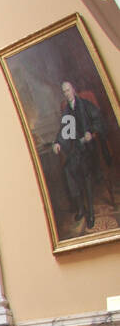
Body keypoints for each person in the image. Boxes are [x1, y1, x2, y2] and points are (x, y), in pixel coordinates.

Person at [53, 80, 105, 230]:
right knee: (68, 171)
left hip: (89, 147)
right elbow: (64, 130)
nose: (67, 93)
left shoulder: (85, 105)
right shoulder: (67, 110)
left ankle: (91, 212)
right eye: (64, 92)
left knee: (85, 172)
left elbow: (98, 120)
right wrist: (57, 143)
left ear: (73, 90)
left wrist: (91, 132)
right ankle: (81, 207)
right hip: (76, 149)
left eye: (68, 90)